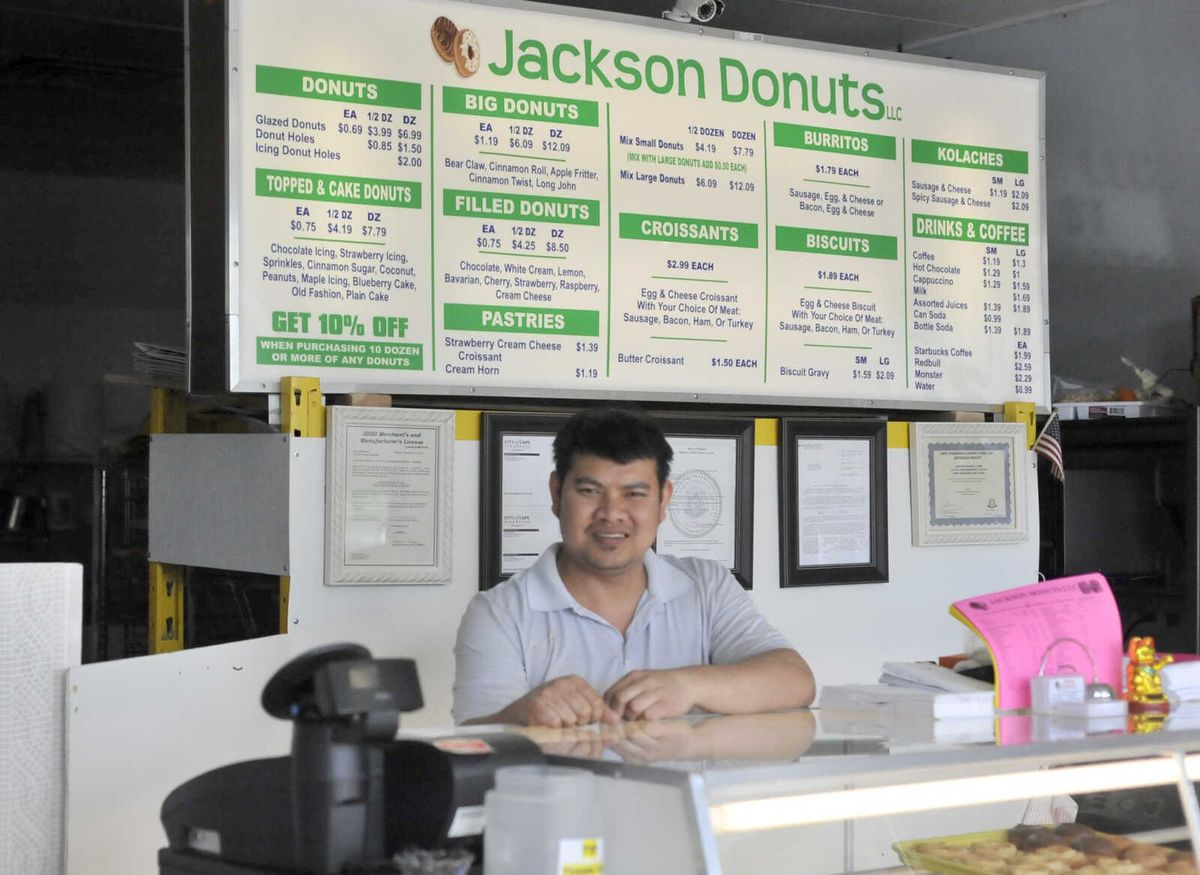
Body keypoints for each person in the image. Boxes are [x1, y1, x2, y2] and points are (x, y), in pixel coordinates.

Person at [452, 407, 815, 727]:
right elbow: (475, 741)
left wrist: (685, 686)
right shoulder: (498, 613)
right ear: (556, 493)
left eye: (634, 494)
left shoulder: (706, 586)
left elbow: (795, 680)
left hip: (682, 804)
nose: (611, 513)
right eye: (590, 491)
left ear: (663, 501)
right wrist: (521, 715)